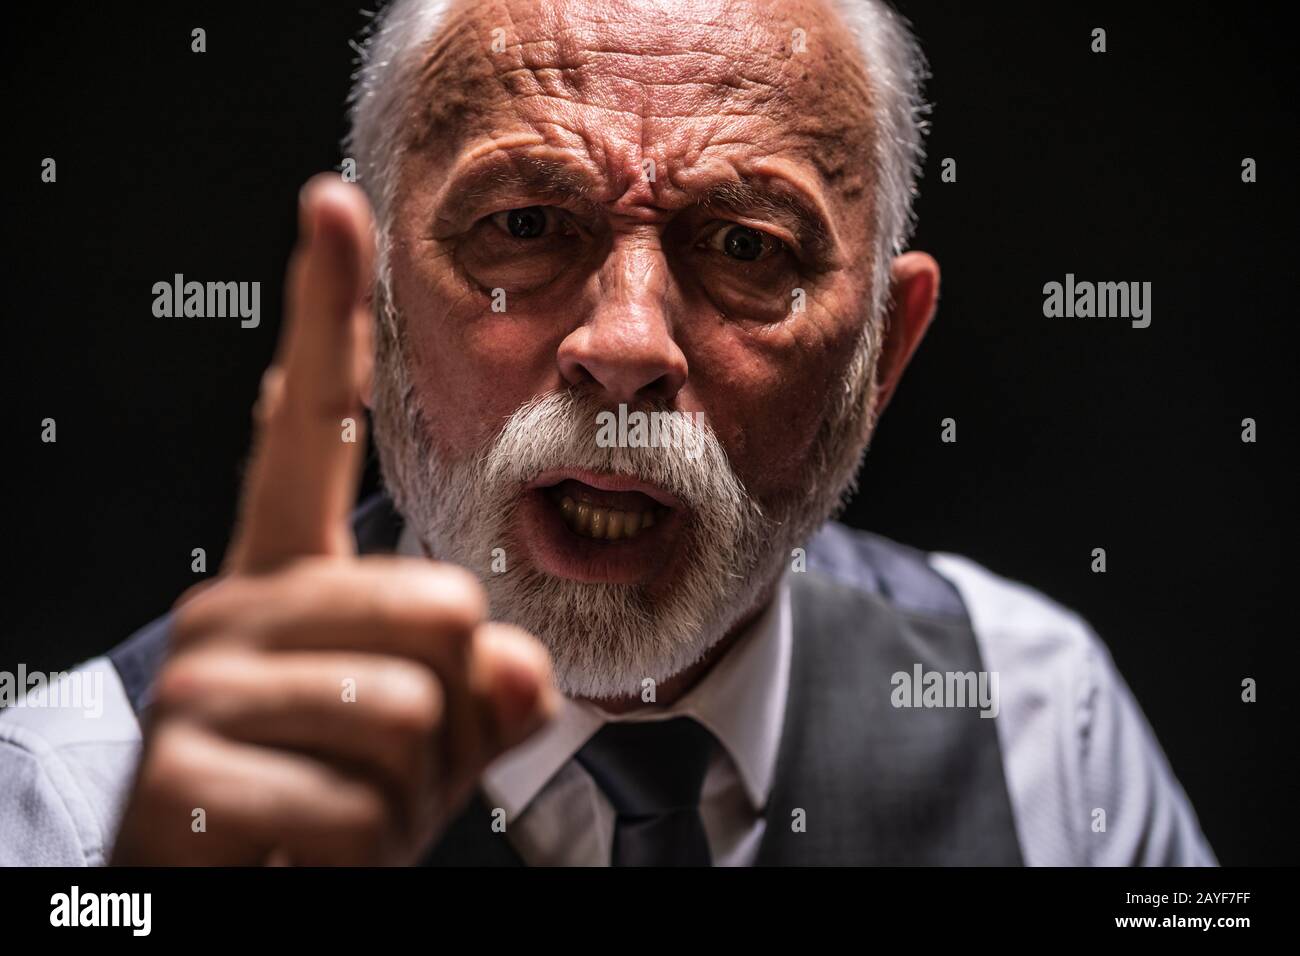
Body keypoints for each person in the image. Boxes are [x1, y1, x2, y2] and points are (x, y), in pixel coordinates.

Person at [0, 0, 1214, 866]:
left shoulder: (1047, 724)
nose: (626, 345)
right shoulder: (74, 802)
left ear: (882, 354)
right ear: (370, 307)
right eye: (525, 223)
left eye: (746, 245)